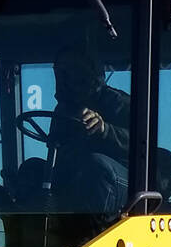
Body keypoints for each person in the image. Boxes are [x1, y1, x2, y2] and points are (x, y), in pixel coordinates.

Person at [50, 47, 131, 217]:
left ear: (88, 73)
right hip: (78, 175)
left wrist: (105, 129)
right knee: (32, 170)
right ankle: (30, 233)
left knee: (96, 166)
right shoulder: (63, 110)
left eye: (69, 71)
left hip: (126, 183)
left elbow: (142, 144)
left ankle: (92, 236)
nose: (63, 78)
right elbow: (56, 154)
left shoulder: (119, 102)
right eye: (59, 71)